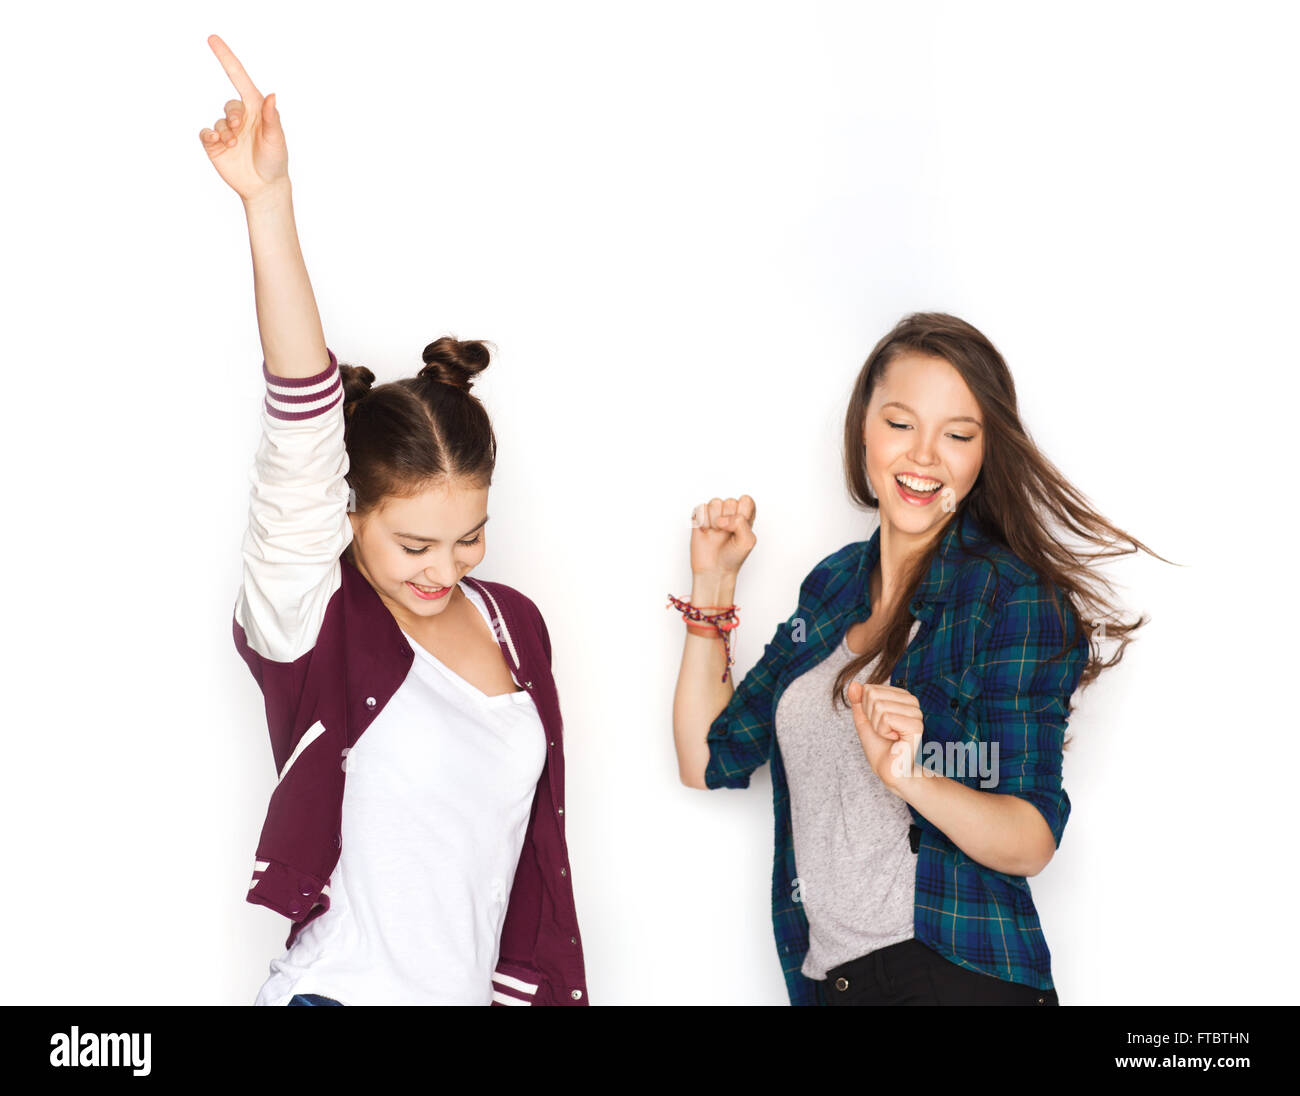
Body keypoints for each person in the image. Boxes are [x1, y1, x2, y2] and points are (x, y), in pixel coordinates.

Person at [201, 34, 588, 1006]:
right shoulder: (315, 617)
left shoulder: (514, 626)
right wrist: (267, 203)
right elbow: (296, 432)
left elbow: (534, 856)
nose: (443, 568)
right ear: (351, 514)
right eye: (413, 543)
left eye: (469, 536)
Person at [669, 311, 1164, 1005]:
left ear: (984, 454)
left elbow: (1031, 838)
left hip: (953, 977)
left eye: (958, 435)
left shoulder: (1012, 598)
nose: (924, 456)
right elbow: (705, 757)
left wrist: (913, 777)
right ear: (862, 430)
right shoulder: (833, 585)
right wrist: (713, 586)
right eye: (901, 424)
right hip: (829, 983)